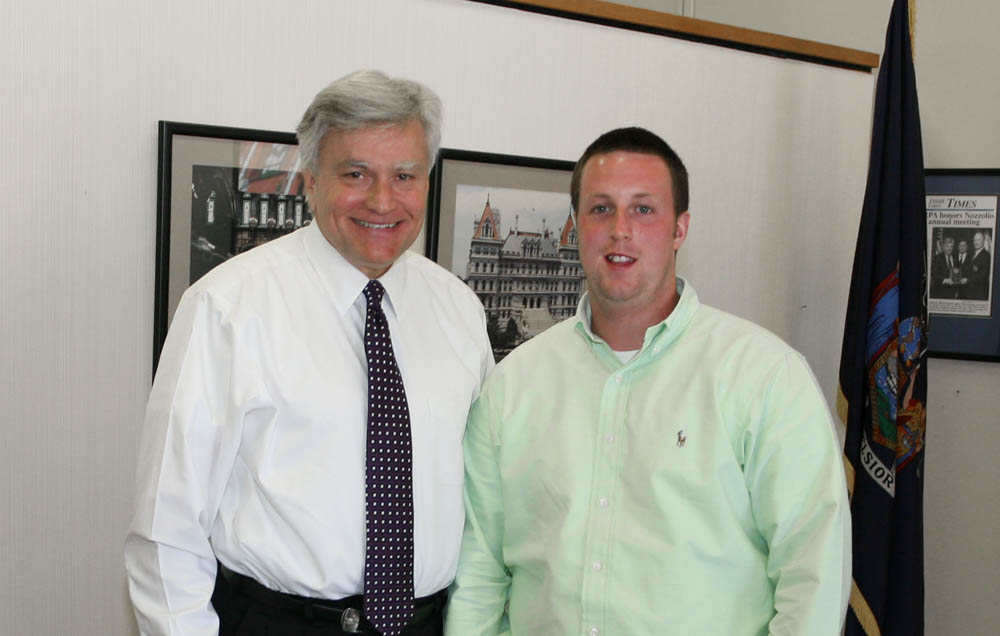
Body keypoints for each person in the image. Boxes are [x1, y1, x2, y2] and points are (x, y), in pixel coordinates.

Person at [126, 70, 494, 636]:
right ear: (311, 178)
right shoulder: (227, 306)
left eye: (404, 175)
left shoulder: (460, 311)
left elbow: (482, 505)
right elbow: (166, 525)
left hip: (428, 623)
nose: (382, 199)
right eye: (355, 173)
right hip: (280, 623)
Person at [445, 127, 851, 635]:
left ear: (680, 229)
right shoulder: (512, 386)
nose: (620, 230)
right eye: (600, 209)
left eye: (643, 209)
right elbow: (479, 573)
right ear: (577, 225)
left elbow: (811, 576)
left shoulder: (766, 378)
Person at [966, 231, 992, 300]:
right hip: (968, 292)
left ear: (983, 241)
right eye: (974, 240)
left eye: (978, 240)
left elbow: (983, 276)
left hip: (979, 294)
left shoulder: (987, 256)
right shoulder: (971, 254)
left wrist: (967, 280)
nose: (975, 242)